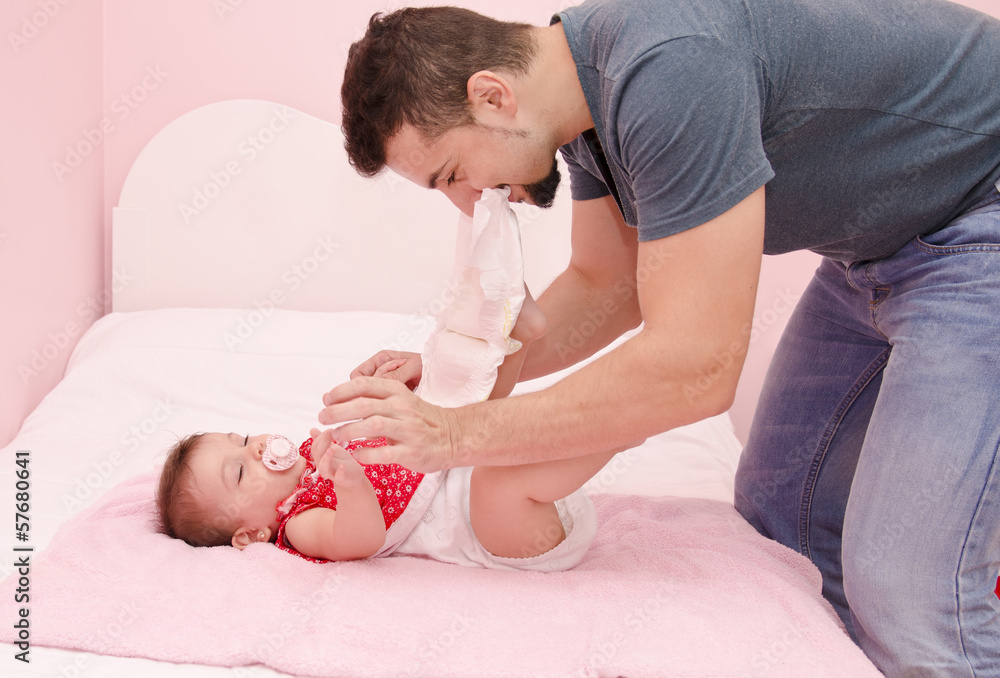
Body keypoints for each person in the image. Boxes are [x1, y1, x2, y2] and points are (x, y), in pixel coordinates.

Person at [328, 0, 1000, 674]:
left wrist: (454, 437)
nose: (469, 200)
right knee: (782, 519)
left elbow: (696, 368)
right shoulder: (583, 103)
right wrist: (457, 374)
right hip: (885, 246)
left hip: (980, 212)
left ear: (492, 96)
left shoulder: (671, 67)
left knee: (910, 593)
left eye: (452, 173)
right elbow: (605, 286)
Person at [156, 301, 621, 569]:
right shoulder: (298, 525)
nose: (254, 448)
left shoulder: (315, 453)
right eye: (239, 469)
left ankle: (517, 338)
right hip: (502, 538)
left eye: (241, 439)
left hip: (465, 470)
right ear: (250, 533)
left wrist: (397, 394)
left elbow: (401, 437)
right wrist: (350, 483)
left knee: (472, 410)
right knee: (496, 481)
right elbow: (356, 541)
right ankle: (621, 426)